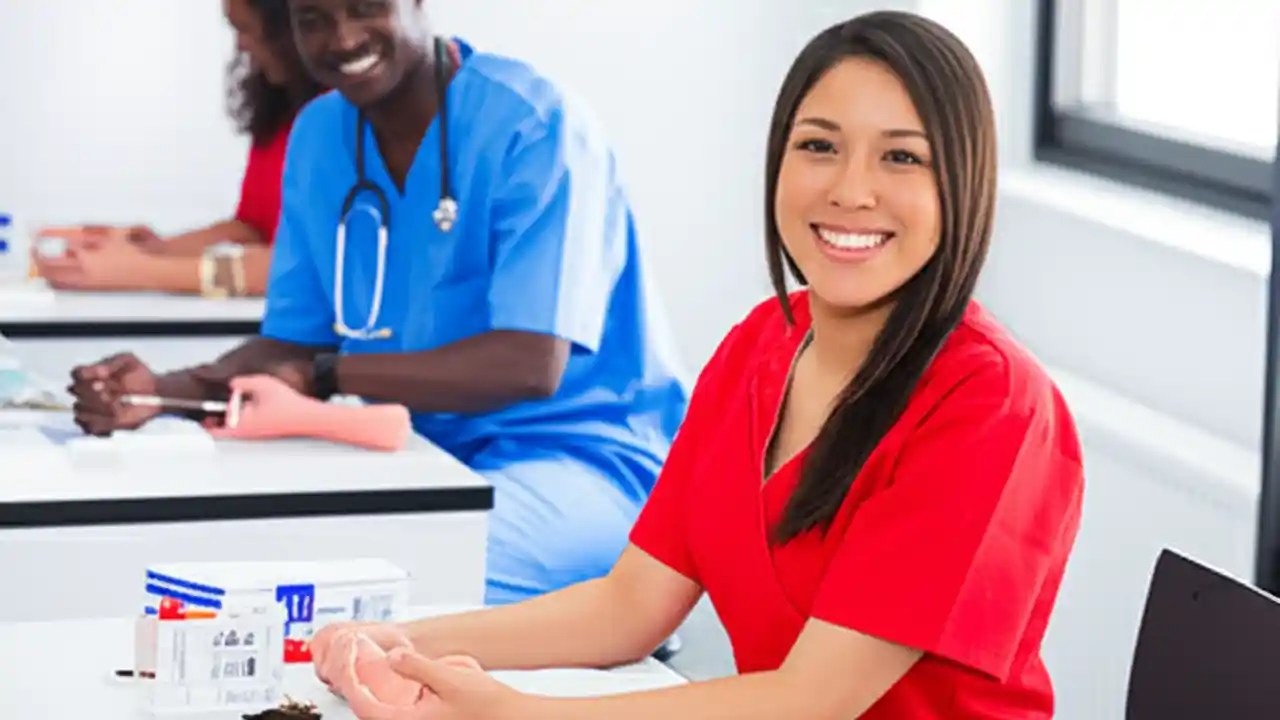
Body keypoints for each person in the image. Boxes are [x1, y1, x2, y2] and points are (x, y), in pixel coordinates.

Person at [305, 10, 1086, 720]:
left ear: (965, 183)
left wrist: (513, 714)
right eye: (819, 145)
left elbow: (812, 699)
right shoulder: (762, 347)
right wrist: (400, 639)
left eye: (902, 158)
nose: (852, 190)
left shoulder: (990, 403)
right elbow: (632, 604)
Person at [65, 0, 689, 608]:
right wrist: (157, 393)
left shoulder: (534, 125)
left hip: (585, 458)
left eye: (365, 8)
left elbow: (529, 365)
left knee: (393, 585)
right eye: (313, 18)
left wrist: (328, 374)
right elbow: (294, 341)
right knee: (262, 553)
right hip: (420, 455)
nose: (341, 38)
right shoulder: (320, 136)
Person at [31, 0, 324, 298]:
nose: (241, 45)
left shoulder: (345, 120)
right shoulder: (284, 112)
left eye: (246, 30)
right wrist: (153, 250)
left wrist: (134, 271)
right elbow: (251, 229)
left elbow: (306, 267)